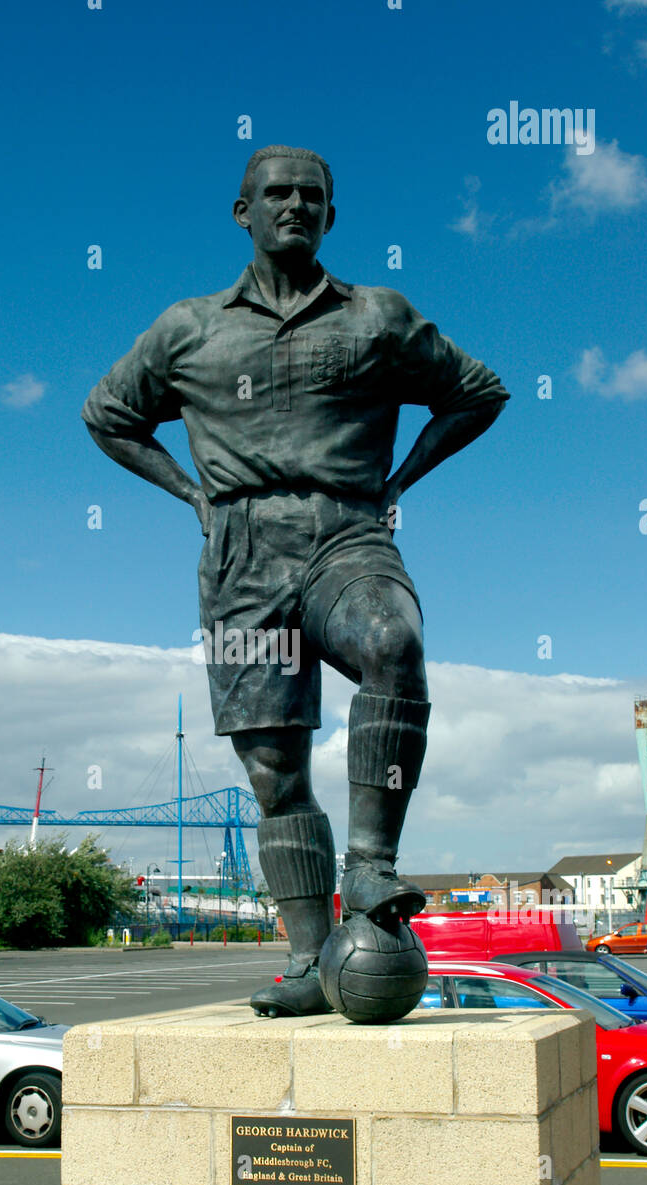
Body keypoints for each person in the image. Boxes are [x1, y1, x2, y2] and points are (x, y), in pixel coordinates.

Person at [82, 145, 509, 1016]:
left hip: (347, 532)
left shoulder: (378, 316)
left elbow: (477, 392)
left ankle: (371, 866)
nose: (295, 206)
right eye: (276, 194)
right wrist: (192, 495)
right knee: (273, 771)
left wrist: (398, 483)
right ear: (242, 212)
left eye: (312, 196)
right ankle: (315, 962)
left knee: (395, 643)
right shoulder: (188, 329)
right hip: (240, 554)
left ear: (330, 216)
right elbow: (108, 416)